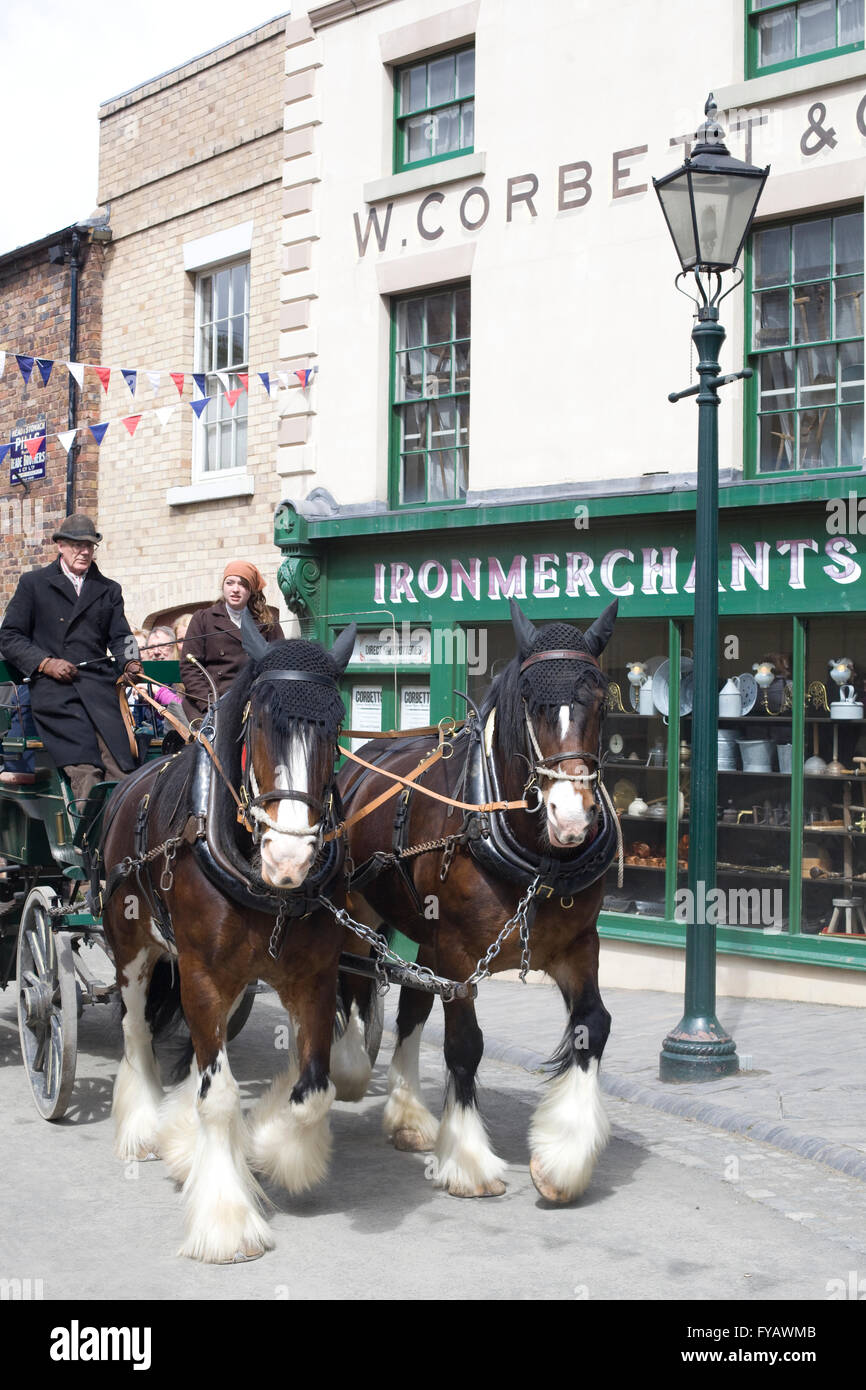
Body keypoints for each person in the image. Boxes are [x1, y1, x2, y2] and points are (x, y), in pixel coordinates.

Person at [0, 513, 143, 809]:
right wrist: (45, 663)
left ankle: (126, 846)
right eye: (77, 545)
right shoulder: (34, 584)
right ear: (60, 546)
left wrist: (130, 663)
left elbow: (121, 636)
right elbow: (10, 636)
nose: (85, 551)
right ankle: (90, 846)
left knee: (121, 769)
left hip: (100, 691)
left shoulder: (108, 589)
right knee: (85, 770)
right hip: (55, 693)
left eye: (90, 545)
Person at [181, 562, 284, 720]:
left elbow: (280, 664)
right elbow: (190, 668)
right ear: (223, 586)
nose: (235, 589)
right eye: (230, 583)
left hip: (256, 702)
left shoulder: (268, 622)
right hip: (214, 701)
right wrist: (209, 702)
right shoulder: (203, 618)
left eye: (242, 585)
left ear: (251, 591)